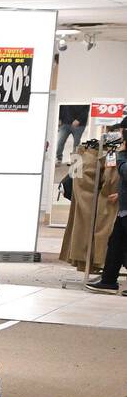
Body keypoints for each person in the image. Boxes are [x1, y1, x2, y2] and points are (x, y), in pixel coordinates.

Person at [85, 123, 127, 294]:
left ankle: (109, 280)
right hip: (124, 209)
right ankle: (108, 281)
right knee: (116, 243)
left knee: (119, 244)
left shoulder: (122, 155)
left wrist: (122, 155)